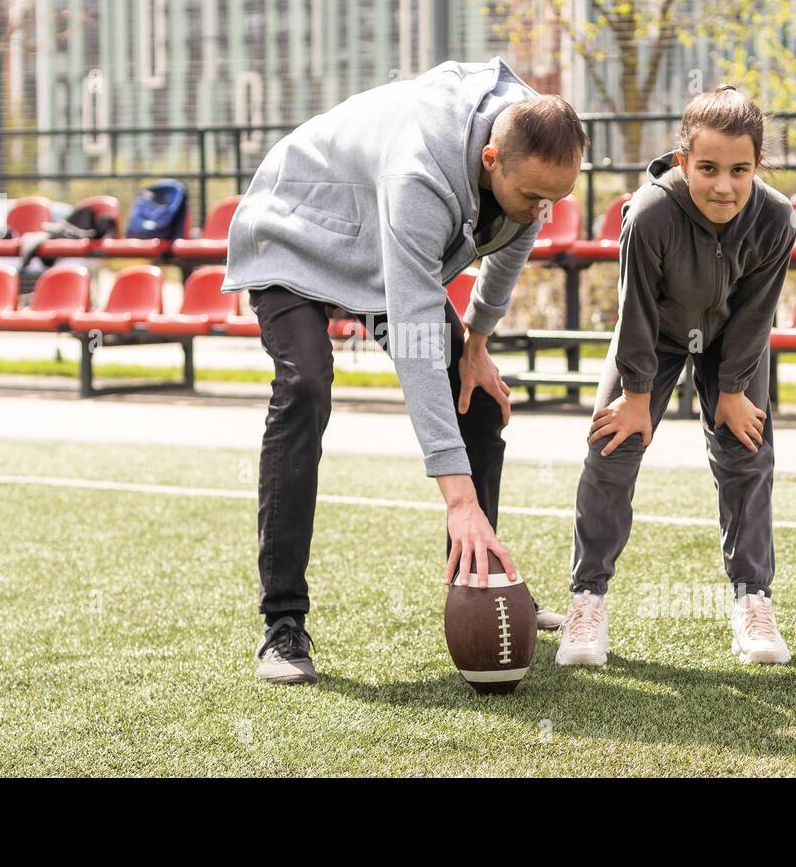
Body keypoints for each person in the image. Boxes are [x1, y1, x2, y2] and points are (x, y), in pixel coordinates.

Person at [221, 57, 587, 684]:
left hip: (377, 240)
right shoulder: (423, 171)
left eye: (556, 198)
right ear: (491, 160)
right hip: (294, 228)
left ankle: (482, 583)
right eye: (532, 196)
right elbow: (415, 332)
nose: (541, 212)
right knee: (305, 385)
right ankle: (282, 627)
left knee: (476, 400)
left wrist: (476, 342)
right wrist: (458, 498)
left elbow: (513, 237)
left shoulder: (536, 140)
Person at [556, 84, 796, 668]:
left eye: (740, 170)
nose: (724, 185)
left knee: (748, 451)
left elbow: (756, 313)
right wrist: (636, 396)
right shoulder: (650, 212)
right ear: (684, 160)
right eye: (708, 167)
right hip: (654, 336)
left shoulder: (776, 217)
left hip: (731, 344)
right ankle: (587, 601)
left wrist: (734, 391)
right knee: (612, 447)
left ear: (757, 166)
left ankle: (752, 601)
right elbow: (634, 307)